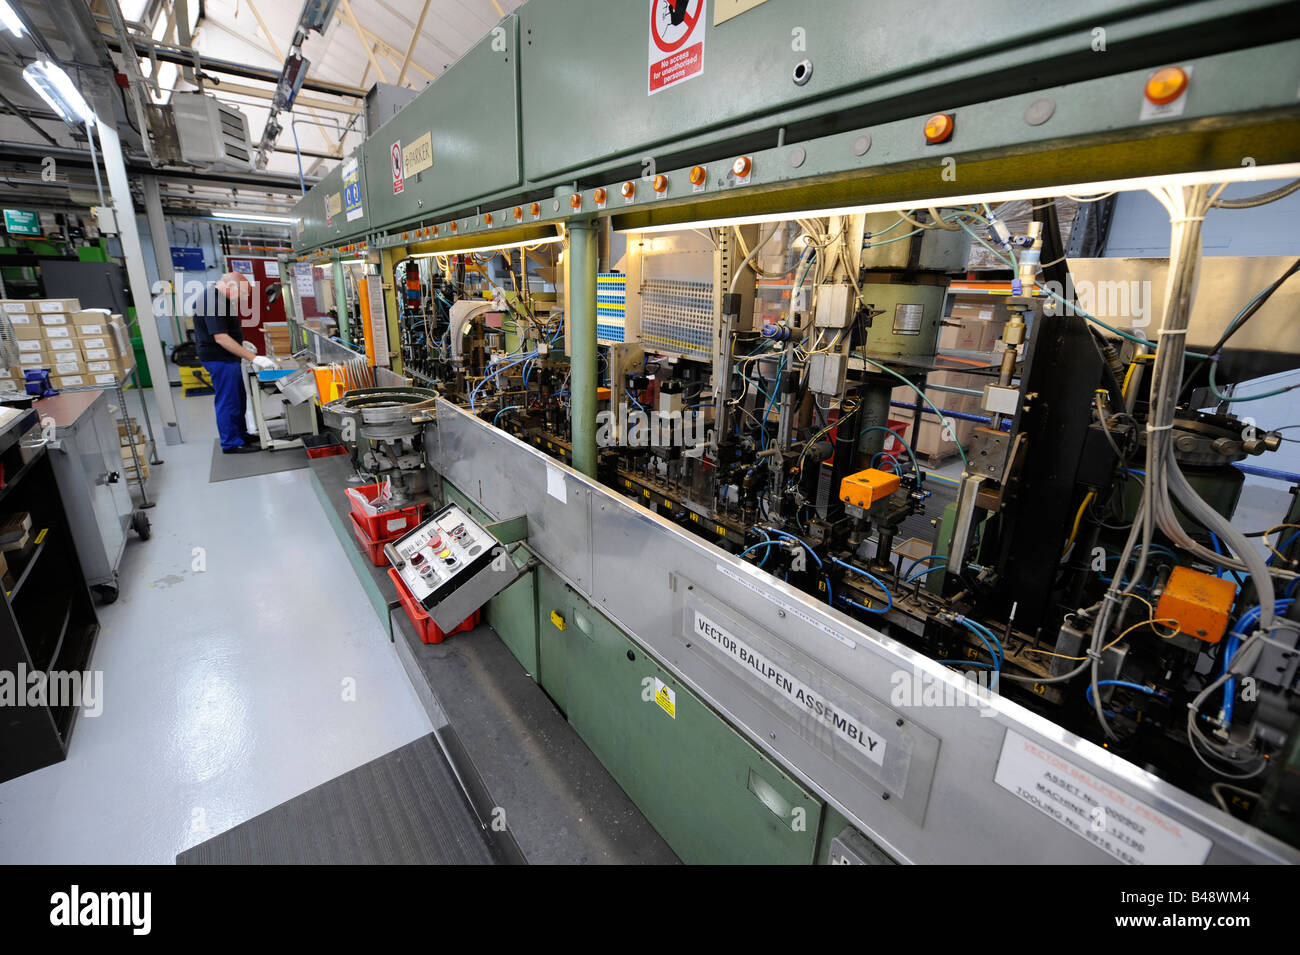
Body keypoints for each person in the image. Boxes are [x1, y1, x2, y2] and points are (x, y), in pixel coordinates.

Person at [193, 271, 275, 454]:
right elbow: (221, 338)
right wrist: (253, 358)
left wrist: (240, 344)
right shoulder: (212, 302)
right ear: (231, 286)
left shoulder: (219, 298)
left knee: (238, 398)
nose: (244, 297)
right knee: (228, 401)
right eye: (243, 293)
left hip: (227, 358)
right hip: (220, 359)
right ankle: (231, 442)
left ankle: (241, 435)